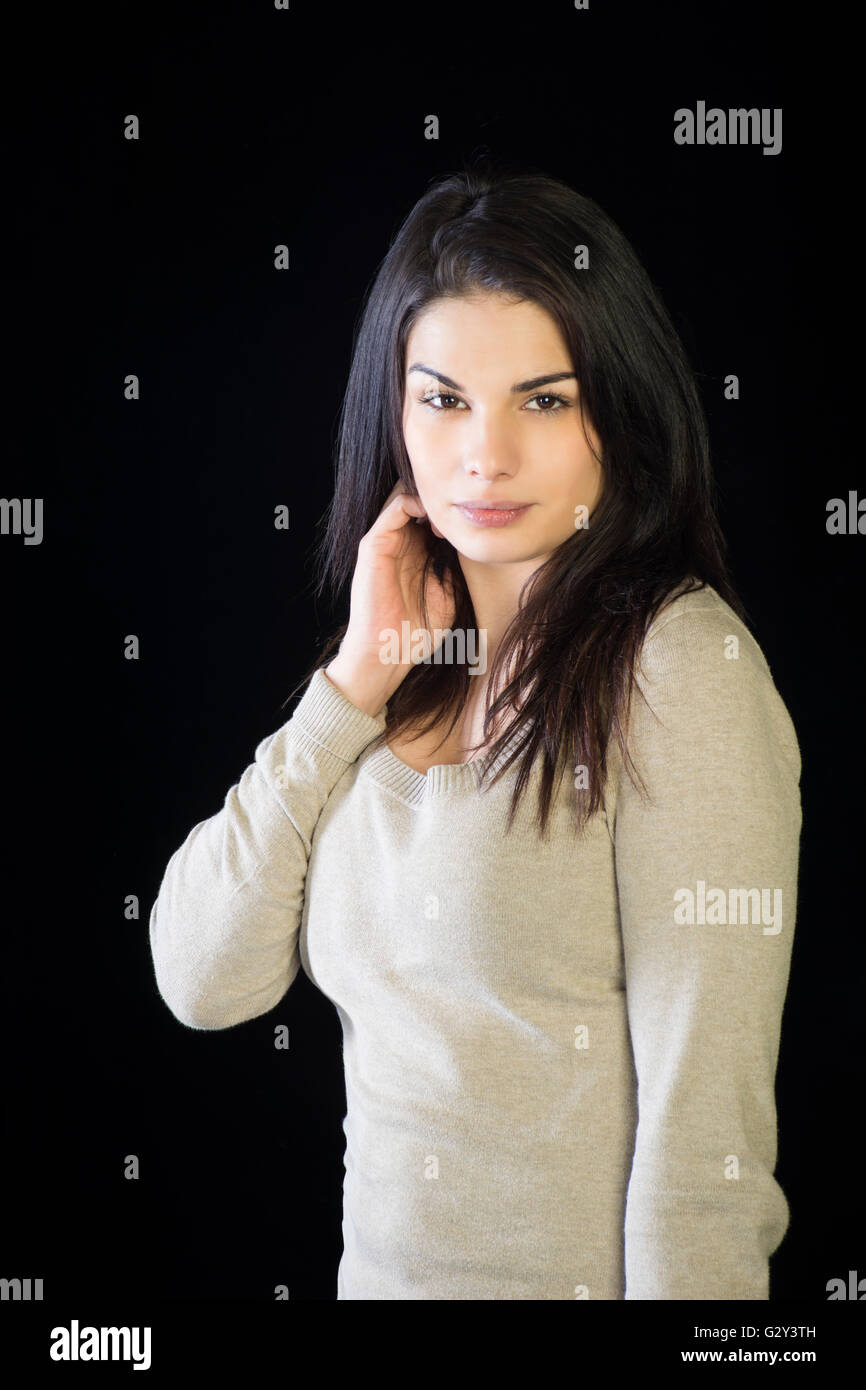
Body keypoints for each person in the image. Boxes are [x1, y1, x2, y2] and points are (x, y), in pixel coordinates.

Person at [149, 164, 802, 1300]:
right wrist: (348, 685)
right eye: (442, 399)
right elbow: (204, 979)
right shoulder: (391, 675)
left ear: (618, 410)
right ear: (392, 413)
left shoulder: (679, 672)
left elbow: (706, 1161)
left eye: (542, 399)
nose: (482, 455)